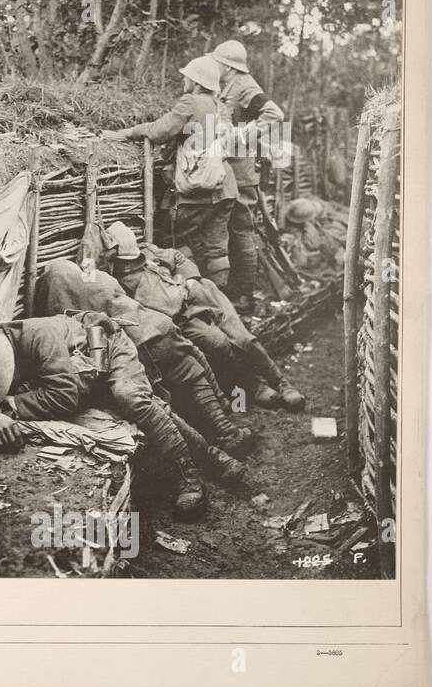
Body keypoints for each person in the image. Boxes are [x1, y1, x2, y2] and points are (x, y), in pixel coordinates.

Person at [0, 310, 212, 521]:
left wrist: (10, 405)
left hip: (107, 350)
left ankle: (188, 476)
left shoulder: (39, 336)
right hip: (80, 375)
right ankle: (209, 454)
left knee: (129, 397)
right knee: (142, 407)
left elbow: (64, 397)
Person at [35, 257, 254, 467]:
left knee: (159, 408)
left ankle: (211, 457)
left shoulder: (58, 300)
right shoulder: (100, 279)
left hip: (137, 346)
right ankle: (227, 432)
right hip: (158, 327)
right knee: (190, 371)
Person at [104, 221, 306, 411]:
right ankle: (253, 386)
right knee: (218, 343)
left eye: (133, 259)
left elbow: (177, 256)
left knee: (243, 337)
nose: (130, 264)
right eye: (125, 262)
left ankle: (281, 383)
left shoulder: (148, 252)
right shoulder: (116, 282)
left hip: (203, 294)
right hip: (183, 317)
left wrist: (191, 280)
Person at [106, 55, 238, 290]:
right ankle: (221, 302)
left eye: (187, 77)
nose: (184, 81)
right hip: (225, 187)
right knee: (217, 247)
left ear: (196, 82)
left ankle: (192, 300)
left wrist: (128, 133)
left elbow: (159, 130)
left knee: (176, 240)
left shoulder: (191, 102)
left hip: (197, 187)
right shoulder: (221, 107)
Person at [212, 39, 285, 314]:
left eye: (218, 62)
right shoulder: (229, 85)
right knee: (231, 229)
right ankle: (235, 289)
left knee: (241, 230)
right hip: (231, 167)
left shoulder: (244, 86)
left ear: (228, 67)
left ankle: (245, 296)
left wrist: (243, 136)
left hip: (243, 170)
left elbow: (274, 114)